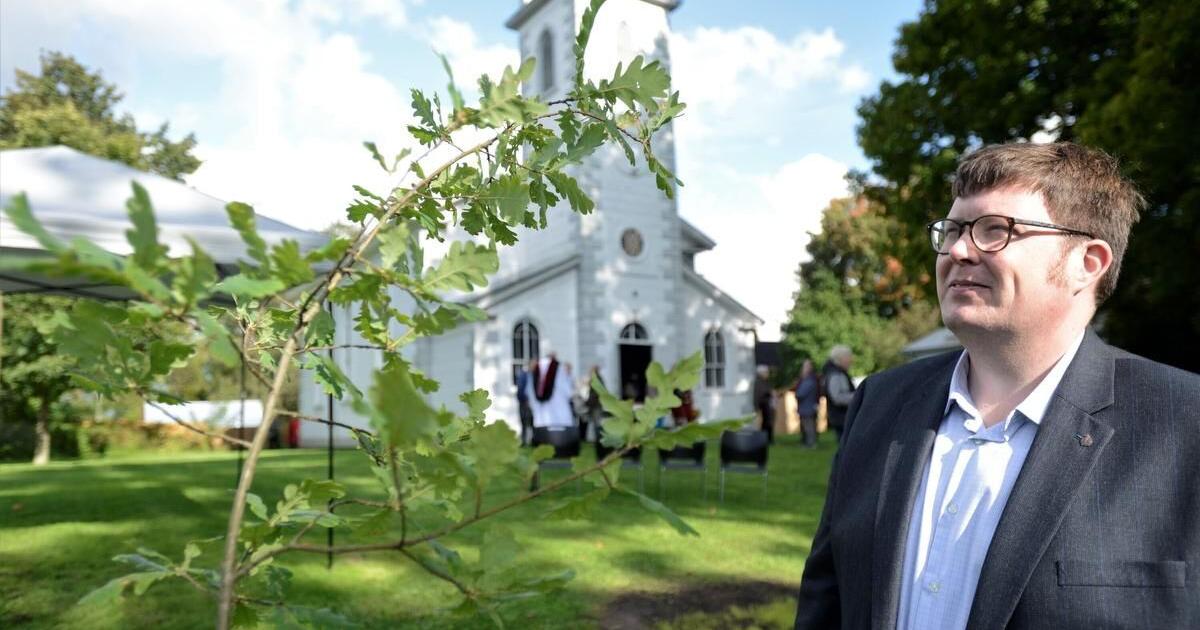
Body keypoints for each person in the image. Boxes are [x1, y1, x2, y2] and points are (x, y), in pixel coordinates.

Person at [795, 142, 1200, 630]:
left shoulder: (1183, 423)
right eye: (953, 230)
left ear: (1087, 262)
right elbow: (826, 601)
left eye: (996, 231)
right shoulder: (880, 404)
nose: (959, 251)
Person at [525, 352, 575, 429]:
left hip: (543, 412)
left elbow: (531, 393)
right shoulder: (559, 371)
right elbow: (568, 392)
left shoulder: (539, 371)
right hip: (557, 410)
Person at [821, 346, 855, 444]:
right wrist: (857, 396)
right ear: (841, 358)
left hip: (840, 416)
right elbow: (837, 397)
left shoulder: (834, 372)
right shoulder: (836, 375)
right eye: (848, 357)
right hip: (841, 417)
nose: (851, 360)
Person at [793, 359, 820, 448]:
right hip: (807, 406)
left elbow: (800, 393)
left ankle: (811, 443)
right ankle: (808, 442)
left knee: (809, 426)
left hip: (807, 407)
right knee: (807, 426)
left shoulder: (809, 380)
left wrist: (797, 392)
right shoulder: (809, 380)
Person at [753, 365, 775, 443]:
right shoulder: (759, 382)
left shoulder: (765, 382)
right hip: (764, 405)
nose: (767, 374)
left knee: (768, 422)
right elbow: (760, 394)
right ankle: (766, 439)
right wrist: (770, 393)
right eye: (766, 372)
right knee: (766, 423)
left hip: (767, 404)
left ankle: (768, 439)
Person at [515, 359, 535, 446]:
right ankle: (524, 442)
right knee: (524, 422)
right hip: (524, 402)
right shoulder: (523, 375)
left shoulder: (535, 375)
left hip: (534, 403)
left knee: (533, 422)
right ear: (530, 365)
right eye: (533, 365)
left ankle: (533, 441)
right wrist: (524, 400)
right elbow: (520, 390)